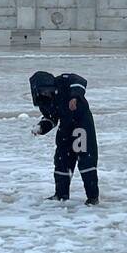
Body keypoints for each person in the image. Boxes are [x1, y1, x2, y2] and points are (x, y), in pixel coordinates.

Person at [29, 70, 99, 204]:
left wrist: (75, 97)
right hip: (65, 128)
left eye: (47, 90)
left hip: (81, 125)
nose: (46, 93)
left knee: (86, 161)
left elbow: (79, 80)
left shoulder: (63, 81)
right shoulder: (44, 101)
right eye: (42, 92)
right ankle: (61, 195)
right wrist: (41, 128)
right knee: (62, 160)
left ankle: (92, 197)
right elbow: (52, 119)